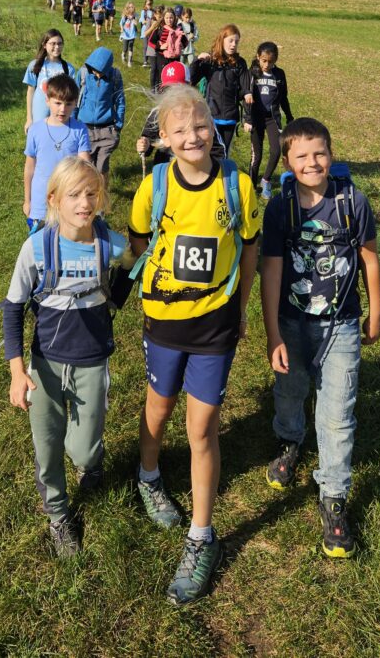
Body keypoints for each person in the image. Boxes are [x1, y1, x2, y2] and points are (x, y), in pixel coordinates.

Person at [129, 86, 259, 605]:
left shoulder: (239, 185)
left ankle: (201, 538)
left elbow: (249, 250)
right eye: (179, 131)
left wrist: (241, 306)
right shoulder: (154, 186)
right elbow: (140, 239)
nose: (192, 137)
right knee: (158, 411)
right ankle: (149, 475)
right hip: (164, 322)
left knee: (201, 426)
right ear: (163, 139)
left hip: (215, 327)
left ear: (215, 127)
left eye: (200, 126)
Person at [260, 117, 380, 558]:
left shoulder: (353, 201)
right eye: (302, 156)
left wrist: (376, 313)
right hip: (291, 324)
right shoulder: (280, 209)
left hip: (343, 326)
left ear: (331, 154)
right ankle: (290, 442)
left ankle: (333, 494)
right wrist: (272, 331)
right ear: (288, 162)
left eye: (320, 153)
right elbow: (270, 270)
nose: (312, 162)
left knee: (338, 413)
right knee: (290, 390)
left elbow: (369, 260)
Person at [2, 157, 127, 557]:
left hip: (93, 359)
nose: (85, 203)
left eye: (92, 193)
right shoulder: (36, 247)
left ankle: (90, 463)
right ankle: (58, 515)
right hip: (45, 365)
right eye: (74, 194)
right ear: (54, 199)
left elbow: (120, 295)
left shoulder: (112, 244)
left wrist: (134, 269)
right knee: (47, 446)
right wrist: (17, 371)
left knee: (85, 447)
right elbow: (12, 307)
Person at [23, 74, 91, 231]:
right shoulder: (35, 130)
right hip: (41, 202)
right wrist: (28, 200)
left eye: (68, 104)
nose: (63, 109)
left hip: (68, 199)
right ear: (47, 101)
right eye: (58, 103)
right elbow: (29, 168)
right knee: (40, 247)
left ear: (75, 104)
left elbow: (85, 165)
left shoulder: (80, 129)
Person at [136, 61, 226, 167]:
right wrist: (144, 145)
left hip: (196, 171)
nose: (174, 94)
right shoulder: (158, 112)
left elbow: (218, 149)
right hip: (166, 170)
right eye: (168, 89)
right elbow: (148, 139)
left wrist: (213, 171)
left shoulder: (199, 113)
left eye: (179, 89)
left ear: (189, 86)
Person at [190, 23, 253, 155]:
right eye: (230, 41)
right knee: (208, 151)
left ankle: (222, 174)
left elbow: (246, 90)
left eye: (236, 41)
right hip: (211, 115)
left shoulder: (240, 63)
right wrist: (197, 61)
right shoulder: (211, 60)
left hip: (230, 116)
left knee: (223, 152)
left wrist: (248, 116)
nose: (233, 45)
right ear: (222, 40)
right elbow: (191, 80)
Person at [247, 41, 294, 199]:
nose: (266, 65)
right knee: (257, 155)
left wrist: (289, 115)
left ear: (275, 60)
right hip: (256, 118)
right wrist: (247, 118)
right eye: (264, 60)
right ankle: (251, 184)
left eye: (270, 61)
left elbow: (283, 98)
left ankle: (265, 180)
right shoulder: (253, 72)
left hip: (272, 119)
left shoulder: (279, 75)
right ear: (258, 57)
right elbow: (246, 97)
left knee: (276, 150)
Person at [76, 46, 125, 190]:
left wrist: (118, 125)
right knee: (86, 167)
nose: (97, 74)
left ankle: (101, 203)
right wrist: (72, 121)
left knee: (102, 167)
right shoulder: (83, 74)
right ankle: (88, 195)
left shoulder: (115, 76)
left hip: (107, 129)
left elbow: (120, 100)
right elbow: (74, 98)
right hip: (85, 129)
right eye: (95, 70)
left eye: (100, 71)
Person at [23, 30, 77, 134]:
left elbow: (72, 96)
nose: (57, 47)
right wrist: (29, 119)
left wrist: (72, 118)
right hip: (39, 113)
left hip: (60, 114)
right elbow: (30, 92)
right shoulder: (35, 65)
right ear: (44, 45)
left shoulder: (68, 68)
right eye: (53, 43)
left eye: (60, 44)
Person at [119, 1, 138, 67]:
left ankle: (129, 61)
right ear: (127, 8)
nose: (131, 8)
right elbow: (121, 23)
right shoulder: (124, 16)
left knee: (130, 47)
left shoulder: (135, 15)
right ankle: (123, 54)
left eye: (132, 7)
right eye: (129, 7)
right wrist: (121, 29)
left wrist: (133, 18)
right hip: (125, 35)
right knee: (125, 49)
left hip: (132, 34)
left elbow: (136, 23)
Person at [139, 0, 154, 67]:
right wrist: (145, 21)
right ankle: (145, 61)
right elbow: (142, 20)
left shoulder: (153, 12)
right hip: (144, 32)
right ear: (145, 4)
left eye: (150, 4)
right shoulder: (143, 12)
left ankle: (150, 60)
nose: (149, 6)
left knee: (150, 46)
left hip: (151, 31)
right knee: (145, 46)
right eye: (148, 4)